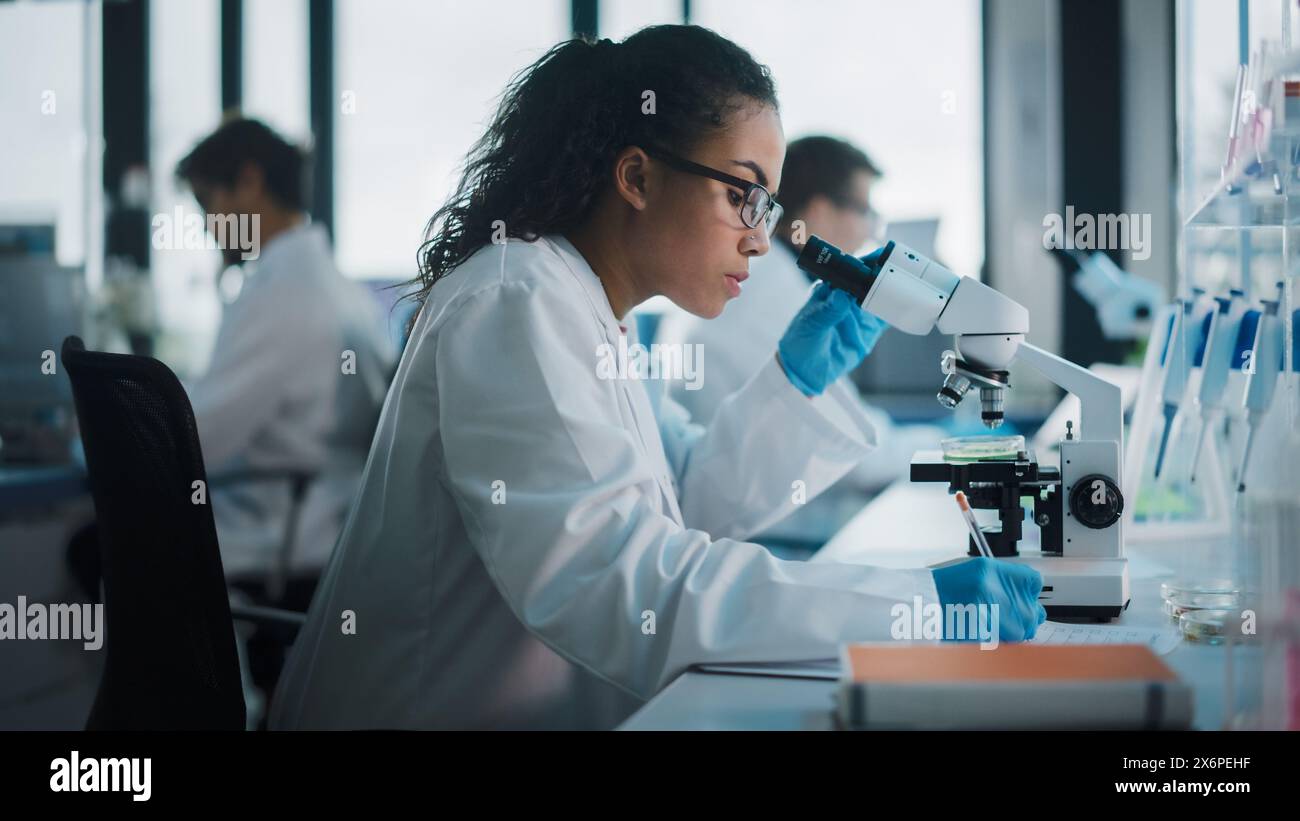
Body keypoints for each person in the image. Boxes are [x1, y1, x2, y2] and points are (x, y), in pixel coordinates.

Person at [271, 26, 1044, 731]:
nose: (759, 238)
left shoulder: (594, 311)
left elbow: (684, 507)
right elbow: (620, 583)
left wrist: (794, 382)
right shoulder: (517, 298)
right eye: (742, 194)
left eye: (768, 206)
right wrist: (912, 605)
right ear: (637, 177)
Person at [655, 136, 944, 550]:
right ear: (821, 211)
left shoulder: (767, 278)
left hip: (750, 513)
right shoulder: (766, 284)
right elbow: (861, 460)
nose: (871, 229)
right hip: (775, 534)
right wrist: (949, 446)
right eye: (865, 211)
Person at [174, 118, 395, 594]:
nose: (207, 225)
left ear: (249, 182)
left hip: (277, 541)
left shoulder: (281, 293)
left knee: (94, 545)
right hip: (330, 529)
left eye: (207, 202)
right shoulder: (340, 288)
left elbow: (196, 437)